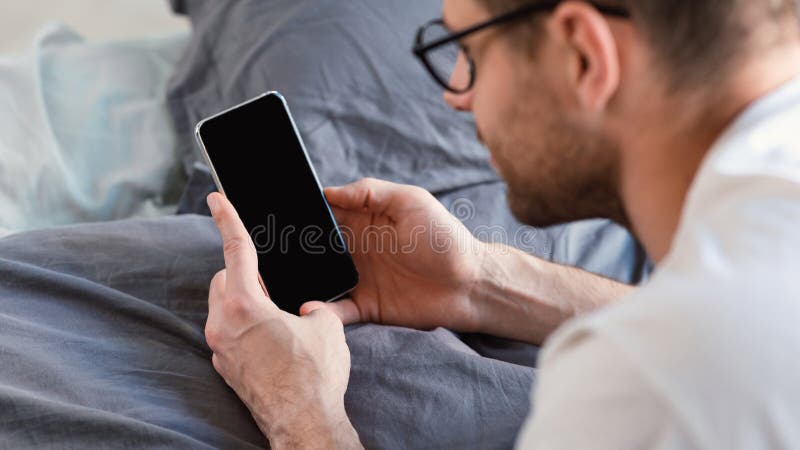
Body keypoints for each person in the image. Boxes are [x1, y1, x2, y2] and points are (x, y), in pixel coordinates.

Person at [203, 0, 800, 447]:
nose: (456, 97)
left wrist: (302, 418)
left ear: (584, 55)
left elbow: (693, 349)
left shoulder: (640, 391)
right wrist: (479, 281)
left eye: (473, 51)